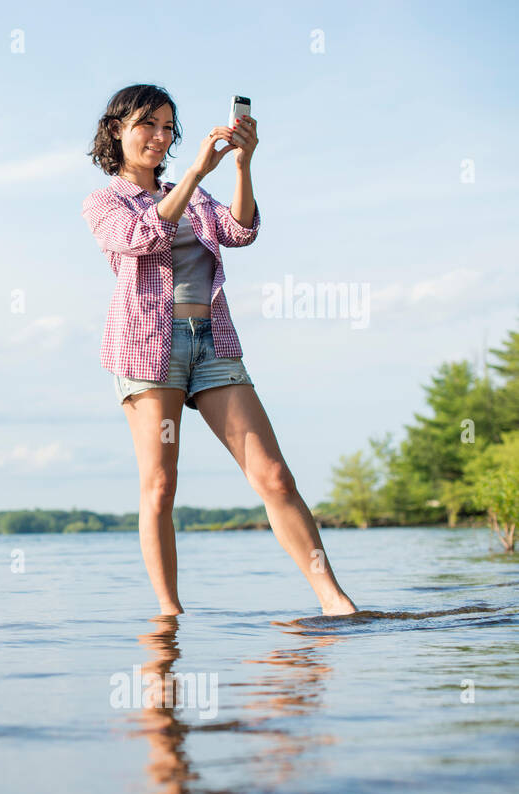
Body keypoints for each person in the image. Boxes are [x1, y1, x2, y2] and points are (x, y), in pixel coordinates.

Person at [83, 84, 357, 617]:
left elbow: (240, 231)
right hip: (147, 348)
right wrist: (194, 175)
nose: (160, 137)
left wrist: (240, 165)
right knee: (160, 485)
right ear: (117, 130)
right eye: (148, 125)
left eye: (168, 128)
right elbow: (144, 235)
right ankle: (169, 614)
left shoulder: (197, 195)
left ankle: (335, 602)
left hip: (213, 344)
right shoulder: (104, 200)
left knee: (274, 477)